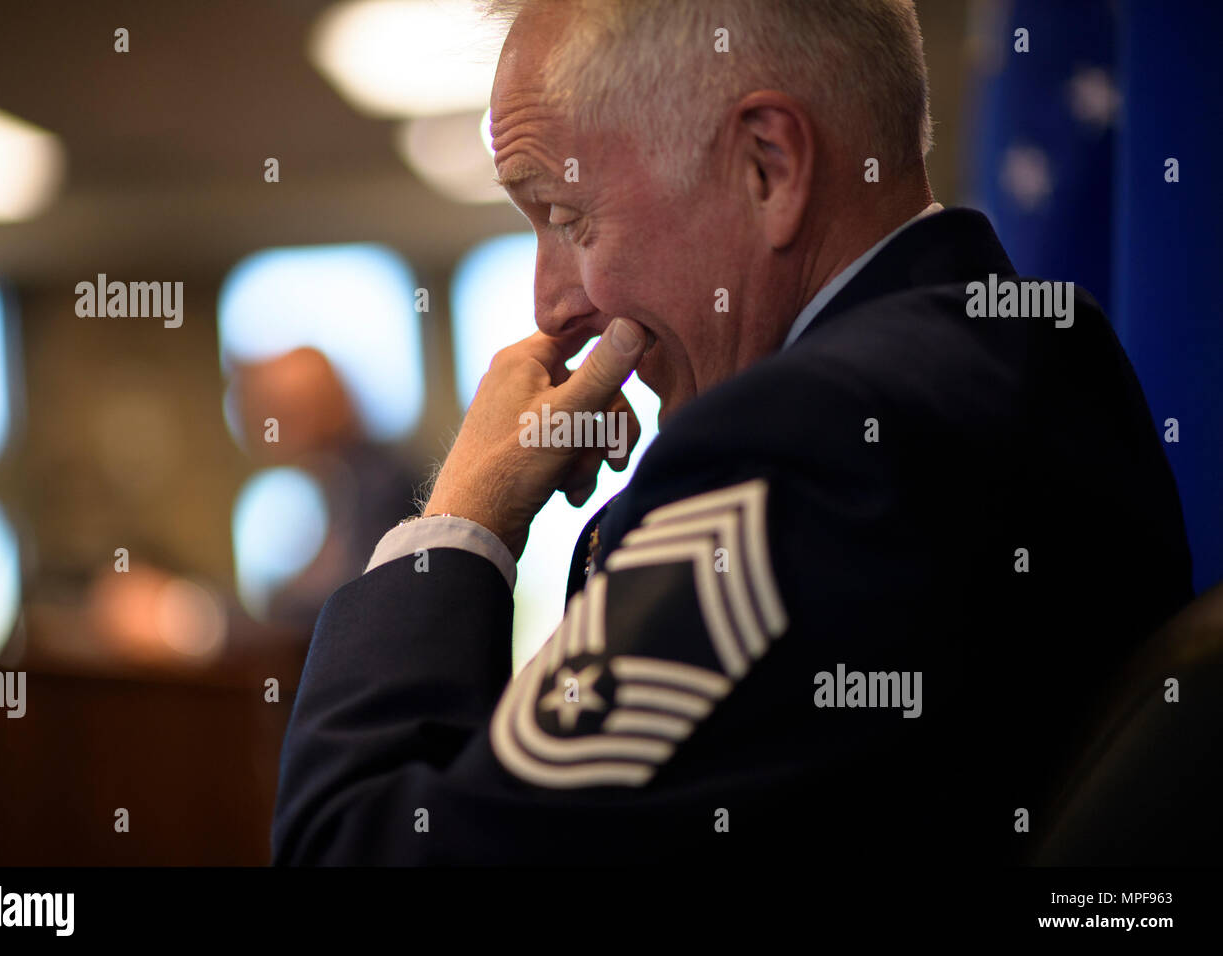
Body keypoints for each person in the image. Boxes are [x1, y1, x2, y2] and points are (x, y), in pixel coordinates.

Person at [272, 0, 1192, 864]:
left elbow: (361, 844)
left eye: (568, 216)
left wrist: (464, 516)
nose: (550, 304)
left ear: (768, 166)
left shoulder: (802, 453)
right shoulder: (1037, 348)